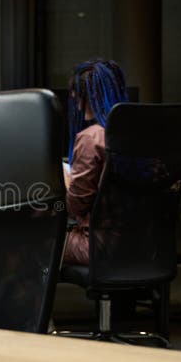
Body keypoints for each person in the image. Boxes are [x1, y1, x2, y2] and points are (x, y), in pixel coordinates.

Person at [62, 58, 128, 265]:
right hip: (140, 245)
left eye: (74, 91)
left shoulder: (91, 138)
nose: (72, 97)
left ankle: (19, 297)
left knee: (24, 235)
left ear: (83, 96)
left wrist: (64, 179)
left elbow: (75, 207)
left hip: (97, 247)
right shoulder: (135, 134)